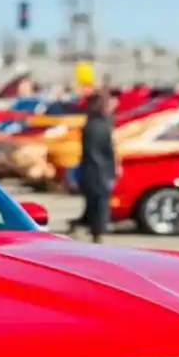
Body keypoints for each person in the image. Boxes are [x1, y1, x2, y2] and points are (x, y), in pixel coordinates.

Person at [77, 90, 117, 244]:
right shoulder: (99, 125)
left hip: (94, 168)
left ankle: (96, 229)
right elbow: (105, 150)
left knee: (96, 201)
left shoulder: (92, 124)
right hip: (98, 169)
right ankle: (98, 230)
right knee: (99, 201)